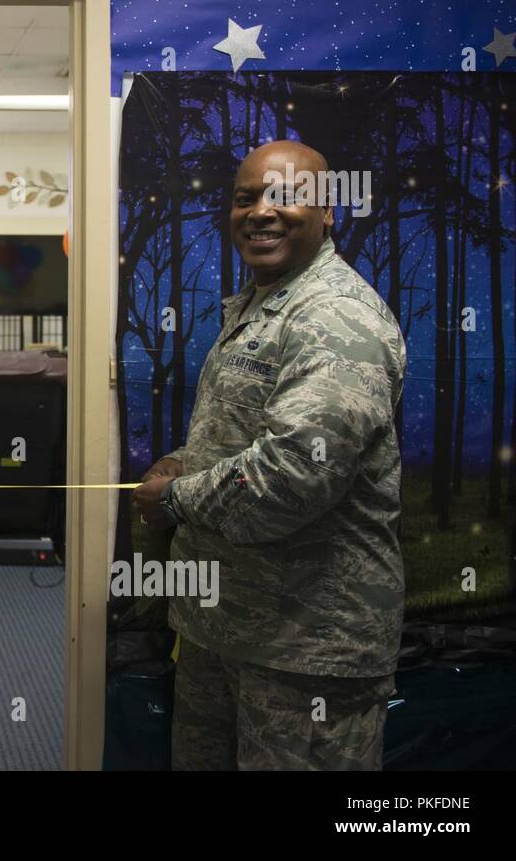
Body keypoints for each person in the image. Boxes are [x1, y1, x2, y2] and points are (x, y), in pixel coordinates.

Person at [132, 140, 406, 771]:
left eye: (284, 196)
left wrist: (173, 498)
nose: (261, 212)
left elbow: (292, 475)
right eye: (245, 198)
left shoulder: (336, 318)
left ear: (329, 210)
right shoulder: (263, 305)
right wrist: (182, 460)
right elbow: (244, 435)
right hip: (227, 626)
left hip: (306, 649)